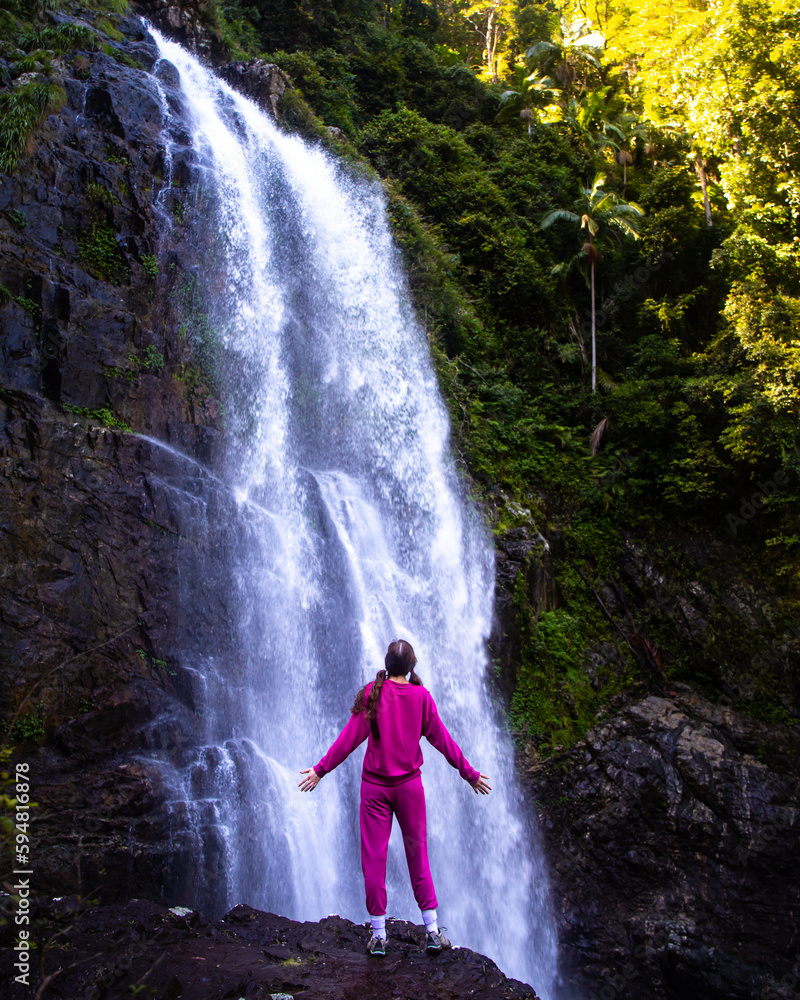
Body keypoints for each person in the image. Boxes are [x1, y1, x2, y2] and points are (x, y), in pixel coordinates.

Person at [299, 638, 491, 957]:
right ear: (411, 667)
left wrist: (320, 770)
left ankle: (378, 935)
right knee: (418, 856)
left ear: (387, 665)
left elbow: (348, 741)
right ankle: (431, 931)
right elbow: (443, 740)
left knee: (374, 858)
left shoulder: (372, 694)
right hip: (409, 788)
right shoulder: (421, 697)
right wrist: (468, 773)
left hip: (375, 789)